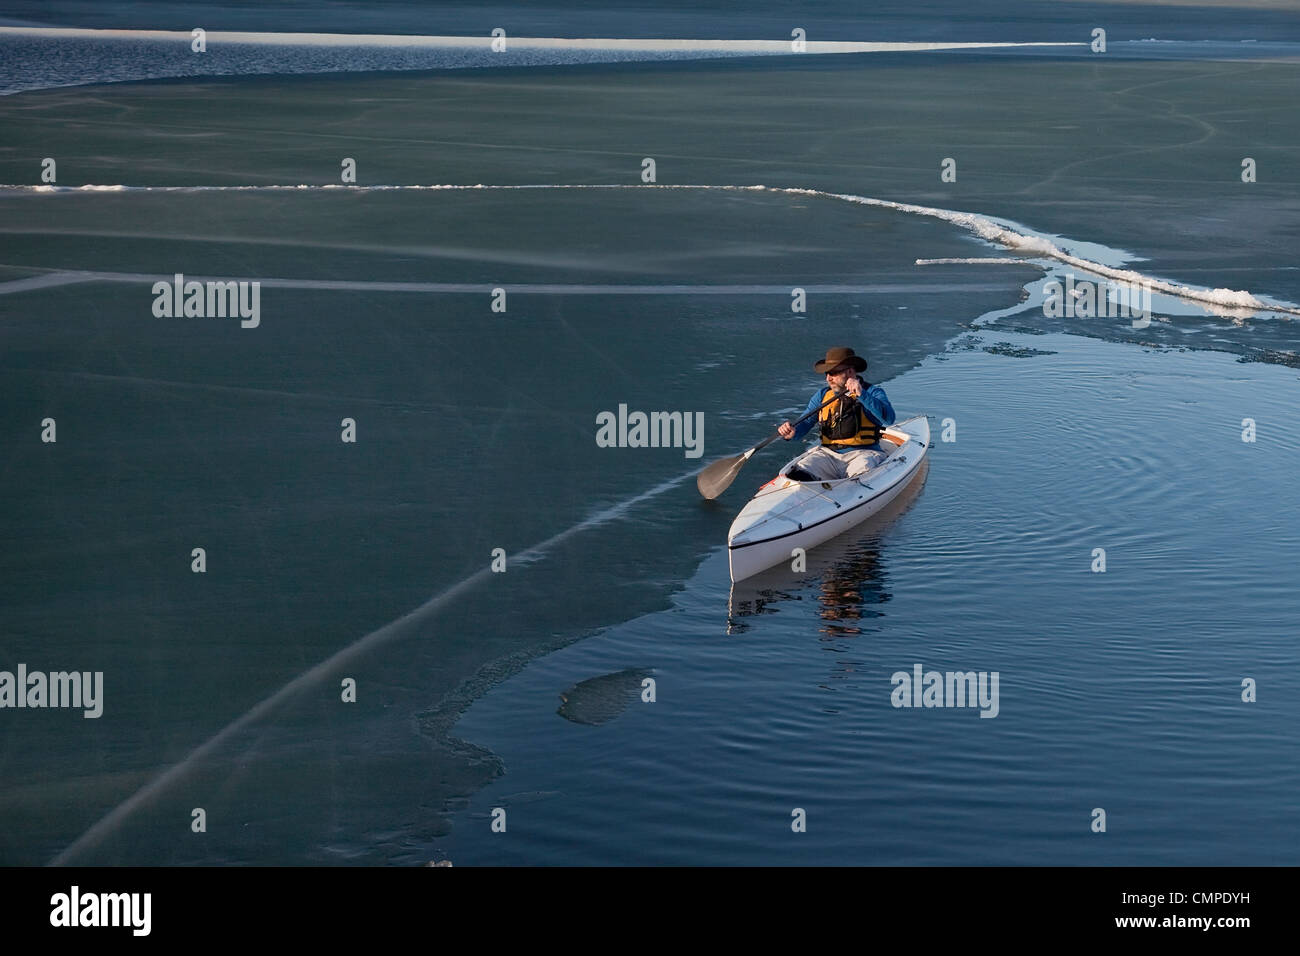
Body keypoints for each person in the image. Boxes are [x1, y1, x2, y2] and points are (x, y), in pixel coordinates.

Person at [777, 346, 896, 481]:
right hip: (828, 455)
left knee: (861, 474)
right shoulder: (822, 395)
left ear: (850, 372)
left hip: (864, 453)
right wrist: (792, 432)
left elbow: (889, 418)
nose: (828, 378)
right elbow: (805, 422)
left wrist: (861, 394)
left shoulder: (872, 392)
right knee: (799, 474)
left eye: (833, 373)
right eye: (826, 373)